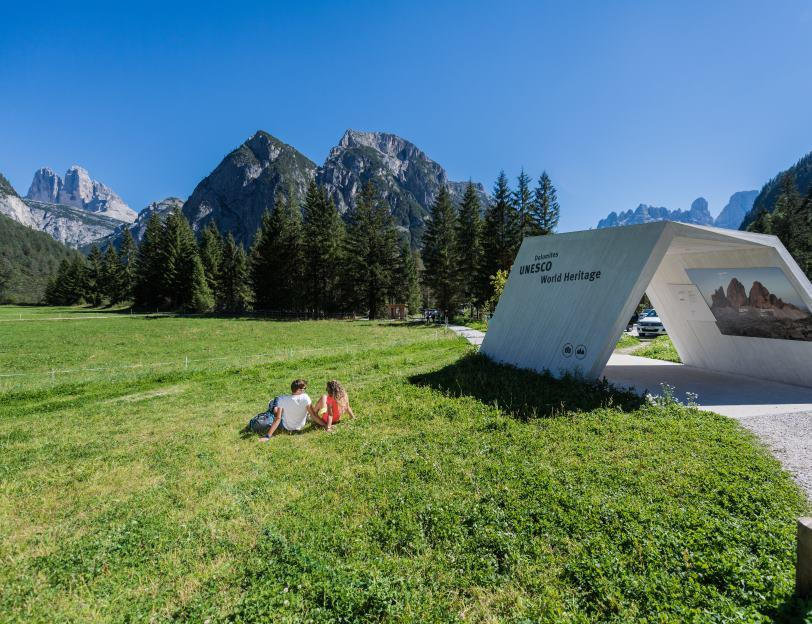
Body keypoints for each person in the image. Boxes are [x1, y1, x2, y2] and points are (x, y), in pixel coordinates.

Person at [248, 378, 315, 441]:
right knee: (278, 406)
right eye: (304, 388)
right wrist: (324, 425)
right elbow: (313, 415)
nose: (305, 390)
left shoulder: (283, 399)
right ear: (299, 390)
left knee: (275, 407)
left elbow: (278, 418)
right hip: (300, 425)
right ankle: (274, 404)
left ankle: (273, 404)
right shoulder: (306, 397)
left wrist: (267, 437)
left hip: (286, 427)